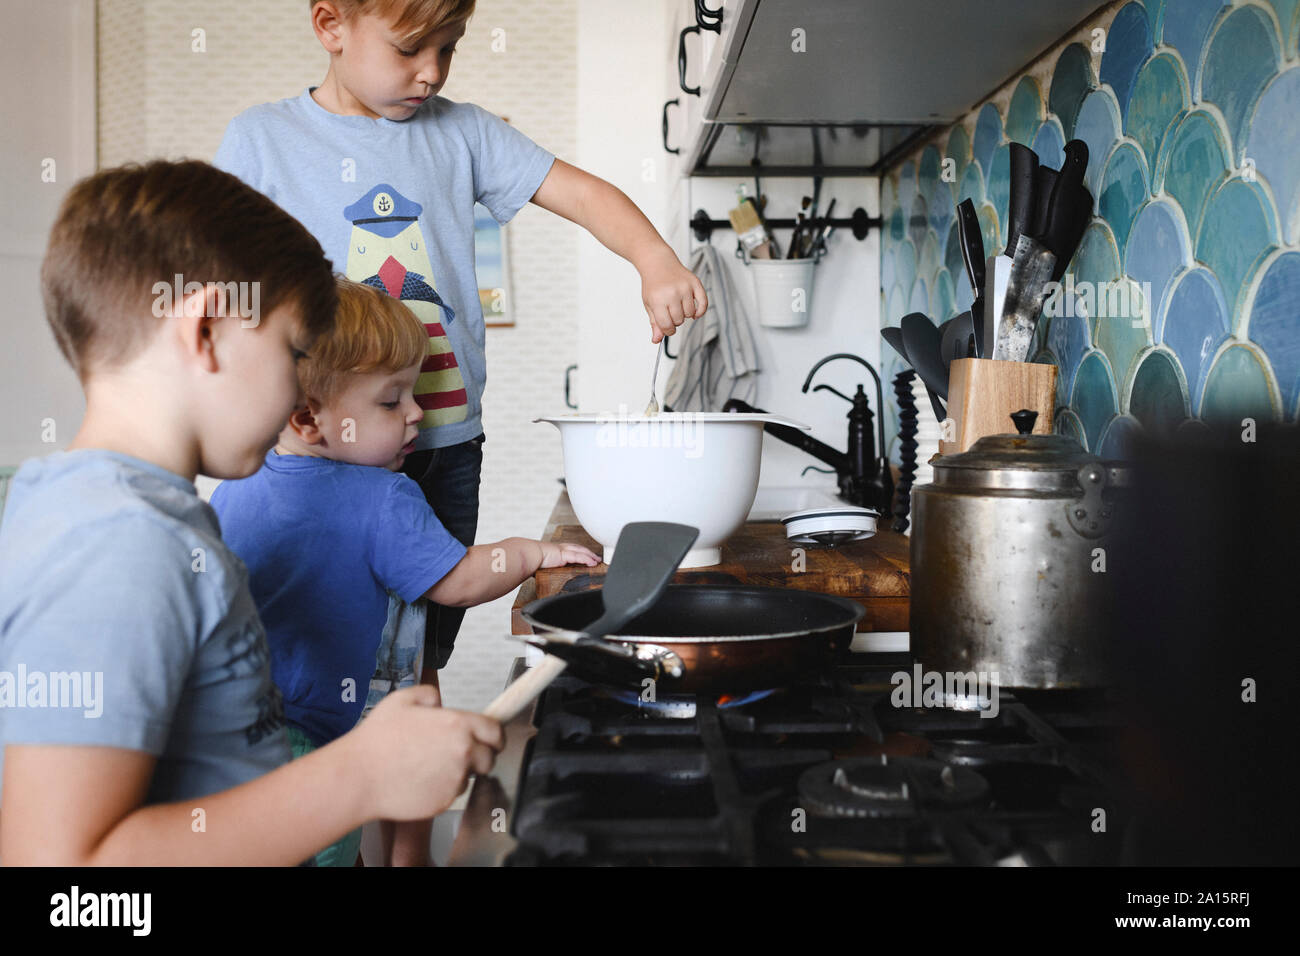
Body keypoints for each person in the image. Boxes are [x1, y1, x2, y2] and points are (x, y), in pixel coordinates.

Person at [0, 160, 503, 866]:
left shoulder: (133, 513)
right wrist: (359, 776)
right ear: (205, 330)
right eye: (295, 351)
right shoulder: (118, 544)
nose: (301, 391)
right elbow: (64, 886)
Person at [213, 0, 706, 681]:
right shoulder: (262, 140)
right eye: (409, 50)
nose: (432, 73)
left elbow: (585, 196)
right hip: (314, 455)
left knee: (416, 653)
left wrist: (653, 259)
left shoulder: (465, 134)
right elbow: (221, 288)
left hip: (440, 445)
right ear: (330, 25)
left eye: (450, 48)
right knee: (304, 653)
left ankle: (415, 764)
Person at [211, 277, 598, 865]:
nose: (417, 414)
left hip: (236, 734)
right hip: (324, 734)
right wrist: (529, 552)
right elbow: (458, 581)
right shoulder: (383, 496)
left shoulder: (233, 487)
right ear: (308, 419)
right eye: (391, 401)